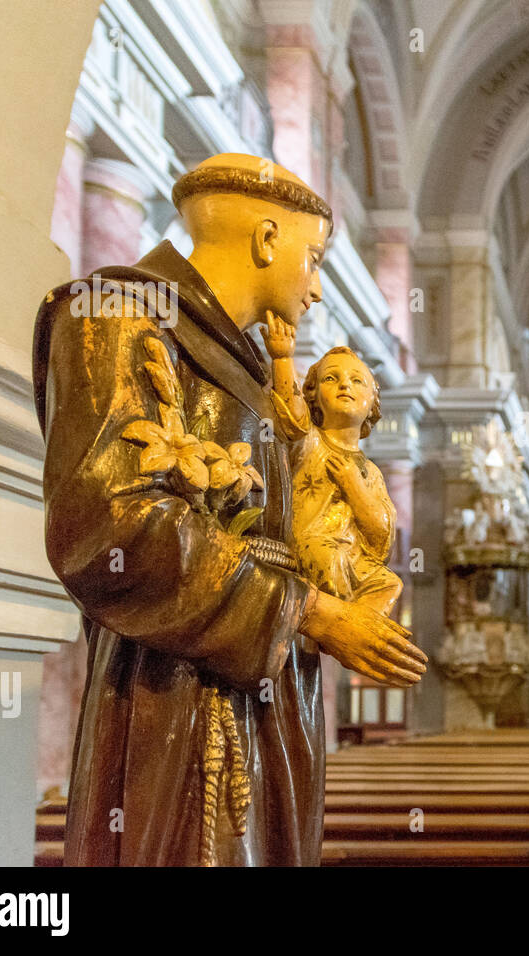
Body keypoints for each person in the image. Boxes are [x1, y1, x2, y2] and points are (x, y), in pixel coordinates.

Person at [31, 153, 426, 866]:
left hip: (271, 693)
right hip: (181, 703)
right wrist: (312, 613)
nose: (314, 286)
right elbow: (106, 523)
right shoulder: (122, 315)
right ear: (266, 239)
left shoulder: (249, 371)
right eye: (313, 258)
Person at [272, 344, 403, 615]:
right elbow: (290, 412)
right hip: (311, 546)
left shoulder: (371, 473)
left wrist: (354, 486)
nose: (345, 385)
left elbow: (381, 536)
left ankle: (362, 631)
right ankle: (335, 620)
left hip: (355, 557)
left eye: (357, 381)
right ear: (314, 394)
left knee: (389, 582)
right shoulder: (310, 442)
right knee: (327, 557)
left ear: (372, 405)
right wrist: (282, 358)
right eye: (331, 378)